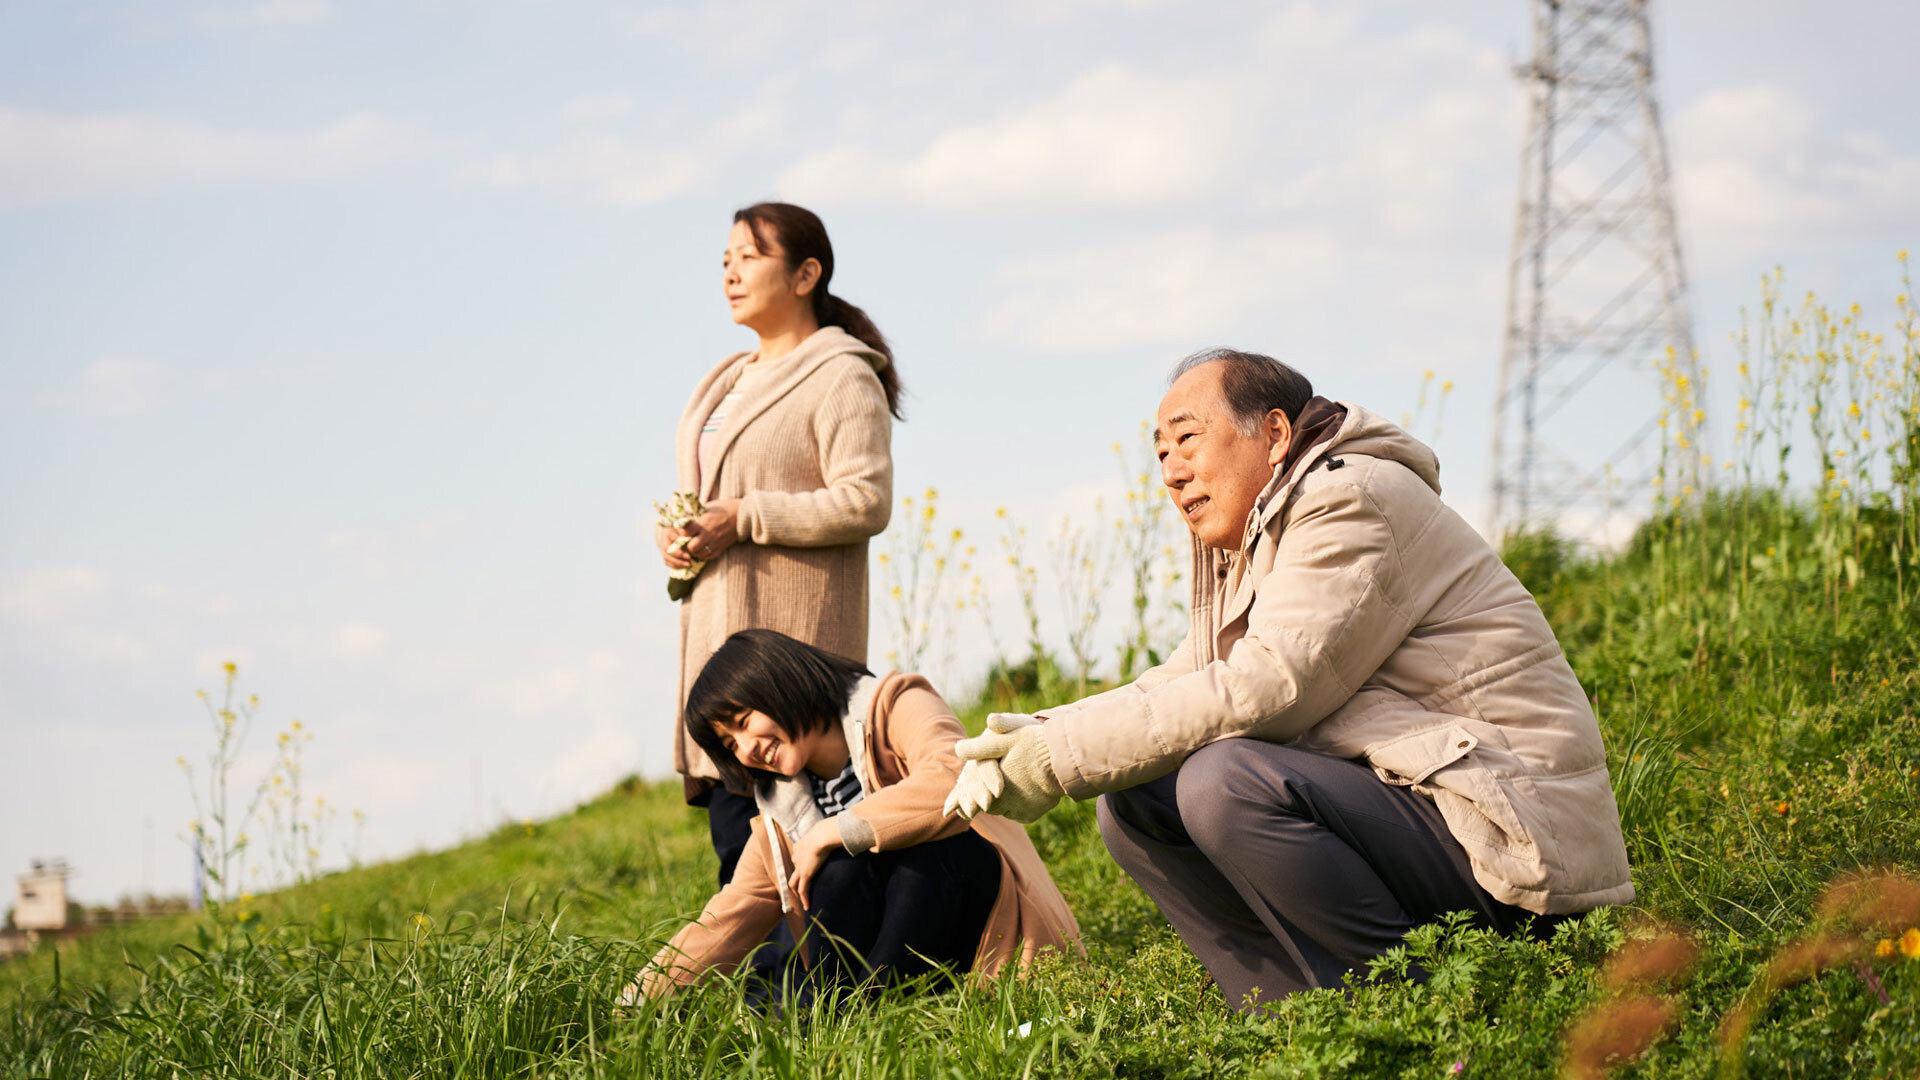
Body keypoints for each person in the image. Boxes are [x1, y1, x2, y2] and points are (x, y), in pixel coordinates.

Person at [945, 348, 1633, 1010]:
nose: (1172, 472)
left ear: (1274, 433)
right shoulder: (1261, 536)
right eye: (1160, 454)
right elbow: (1187, 679)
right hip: (1422, 809)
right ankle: (1291, 1016)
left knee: (1225, 781)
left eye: (1188, 440)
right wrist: (1042, 736)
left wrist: (1061, 759)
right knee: (1134, 798)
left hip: (1509, 841)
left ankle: (1407, 1005)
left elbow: (1268, 686)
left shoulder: (1350, 498)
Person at [631, 629, 1082, 1002]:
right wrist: (627, 1004)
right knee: (837, 874)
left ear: (780, 684)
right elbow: (728, 917)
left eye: (745, 721)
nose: (747, 749)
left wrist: (835, 830)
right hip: (910, 968)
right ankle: (847, 1026)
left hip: (994, 939)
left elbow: (954, 777)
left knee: (920, 853)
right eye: (731, 745)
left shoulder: (893, 704)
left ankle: (860, 1020)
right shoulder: (783, 809)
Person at [660, 202, 902, 887]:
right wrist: (680, 531)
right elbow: (710, 494)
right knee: (735, 829)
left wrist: (743, 517)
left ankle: (817, 978)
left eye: (750, 256)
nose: (732, 272)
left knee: (794, 824)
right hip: (716, 624)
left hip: (787, 633)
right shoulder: (726, 383)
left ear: (805, 274)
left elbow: (865, 500)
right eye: (725, 260)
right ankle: (770, 978)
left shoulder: (841, 373)